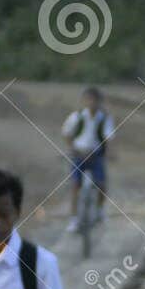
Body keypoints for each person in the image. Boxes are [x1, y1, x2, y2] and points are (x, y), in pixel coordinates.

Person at [62, 88, 113, 232]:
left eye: (94, 100)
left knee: (102, 184)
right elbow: (67, 133)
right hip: (79, 155)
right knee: (75, 186)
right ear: (84, 101)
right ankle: (74, 220)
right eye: (89, 99)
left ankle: (100, 211)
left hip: (96, 154)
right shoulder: (77, 117)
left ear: (99, 102)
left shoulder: (104, 118)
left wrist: (108, 152)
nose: (92, 103)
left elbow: (109, 137)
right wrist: (72, 148)